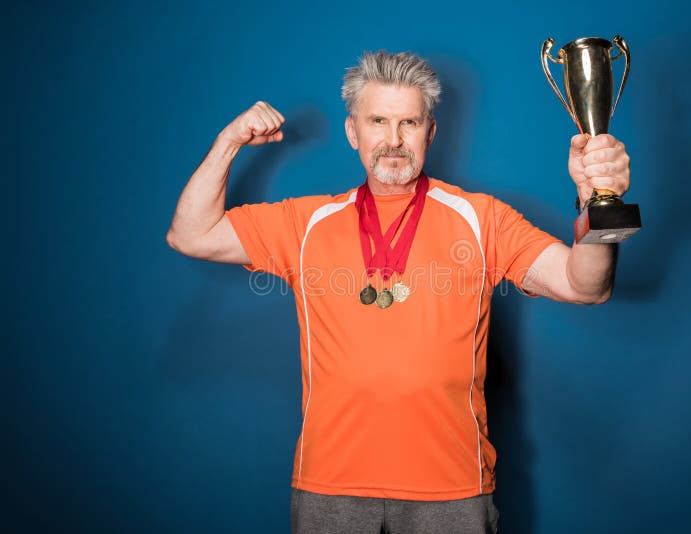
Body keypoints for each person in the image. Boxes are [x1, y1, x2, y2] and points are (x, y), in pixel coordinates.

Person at [166, 50, 631, 534]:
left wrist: (602, 202)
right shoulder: (304, 223)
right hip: (330, 487)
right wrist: (229, 142)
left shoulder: (482, 218)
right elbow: (190, 234)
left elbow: (585, 286)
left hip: (452, 490)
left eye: (409, 122)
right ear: (353, 132)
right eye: (378, 121)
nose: (392, 140)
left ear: (430, 132)